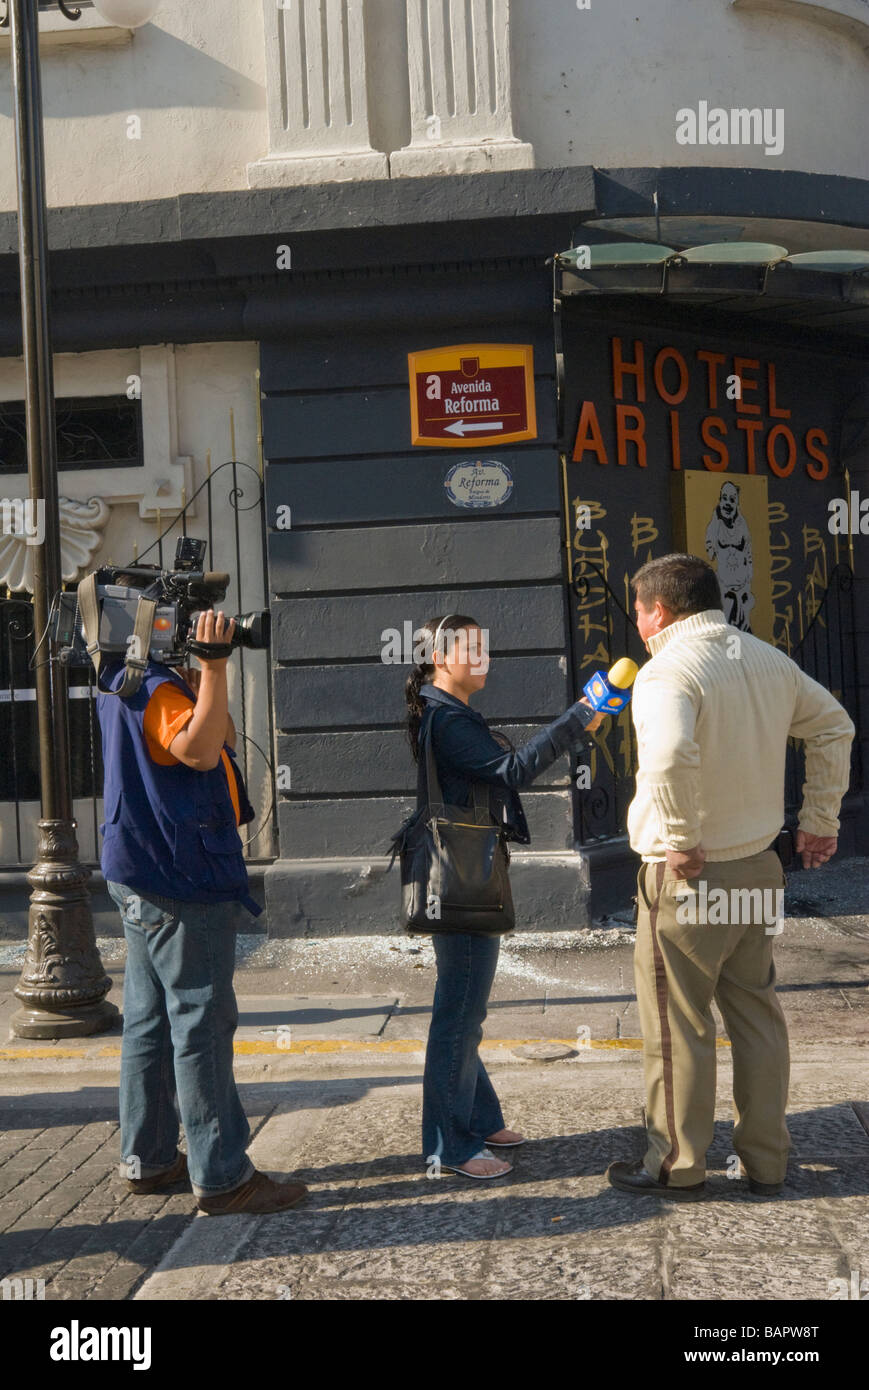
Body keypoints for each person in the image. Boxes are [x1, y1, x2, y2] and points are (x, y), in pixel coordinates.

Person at [607, 554, 855, 1202]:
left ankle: (678, 1165)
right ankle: (766, 1163)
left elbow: (665, 757)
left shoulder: (666, 672)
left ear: (658, 609)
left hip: (689, 875)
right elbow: (833, 724)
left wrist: (681, 837)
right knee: (755, 1013)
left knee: (676, 1023)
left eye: (637, 609)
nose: (635, 621)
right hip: (758, 867)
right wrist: (818, 819)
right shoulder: (766, 660)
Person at [96, 606, 308, 1215]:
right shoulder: (159, 688)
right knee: (201, 1024)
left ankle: (150, 1157)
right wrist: (213, 665)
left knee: (148, 1019)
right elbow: (198, 750)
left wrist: (204, 676)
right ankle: (223, 1177)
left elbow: (226, 735)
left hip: (137, 869)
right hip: (180, 877)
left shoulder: (124, 675)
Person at [405, 613, 606, 1179]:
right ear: (442, 658)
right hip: (462, 883)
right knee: (459, 1012)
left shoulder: (449, 711)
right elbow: (512, 769)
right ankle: (449, 1146)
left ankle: (481, 1116)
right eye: (471, 650)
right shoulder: (446, 719)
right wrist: (577, 719)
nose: (483, 659)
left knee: (466, 1006)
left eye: (484, 648)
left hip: (469, 875)